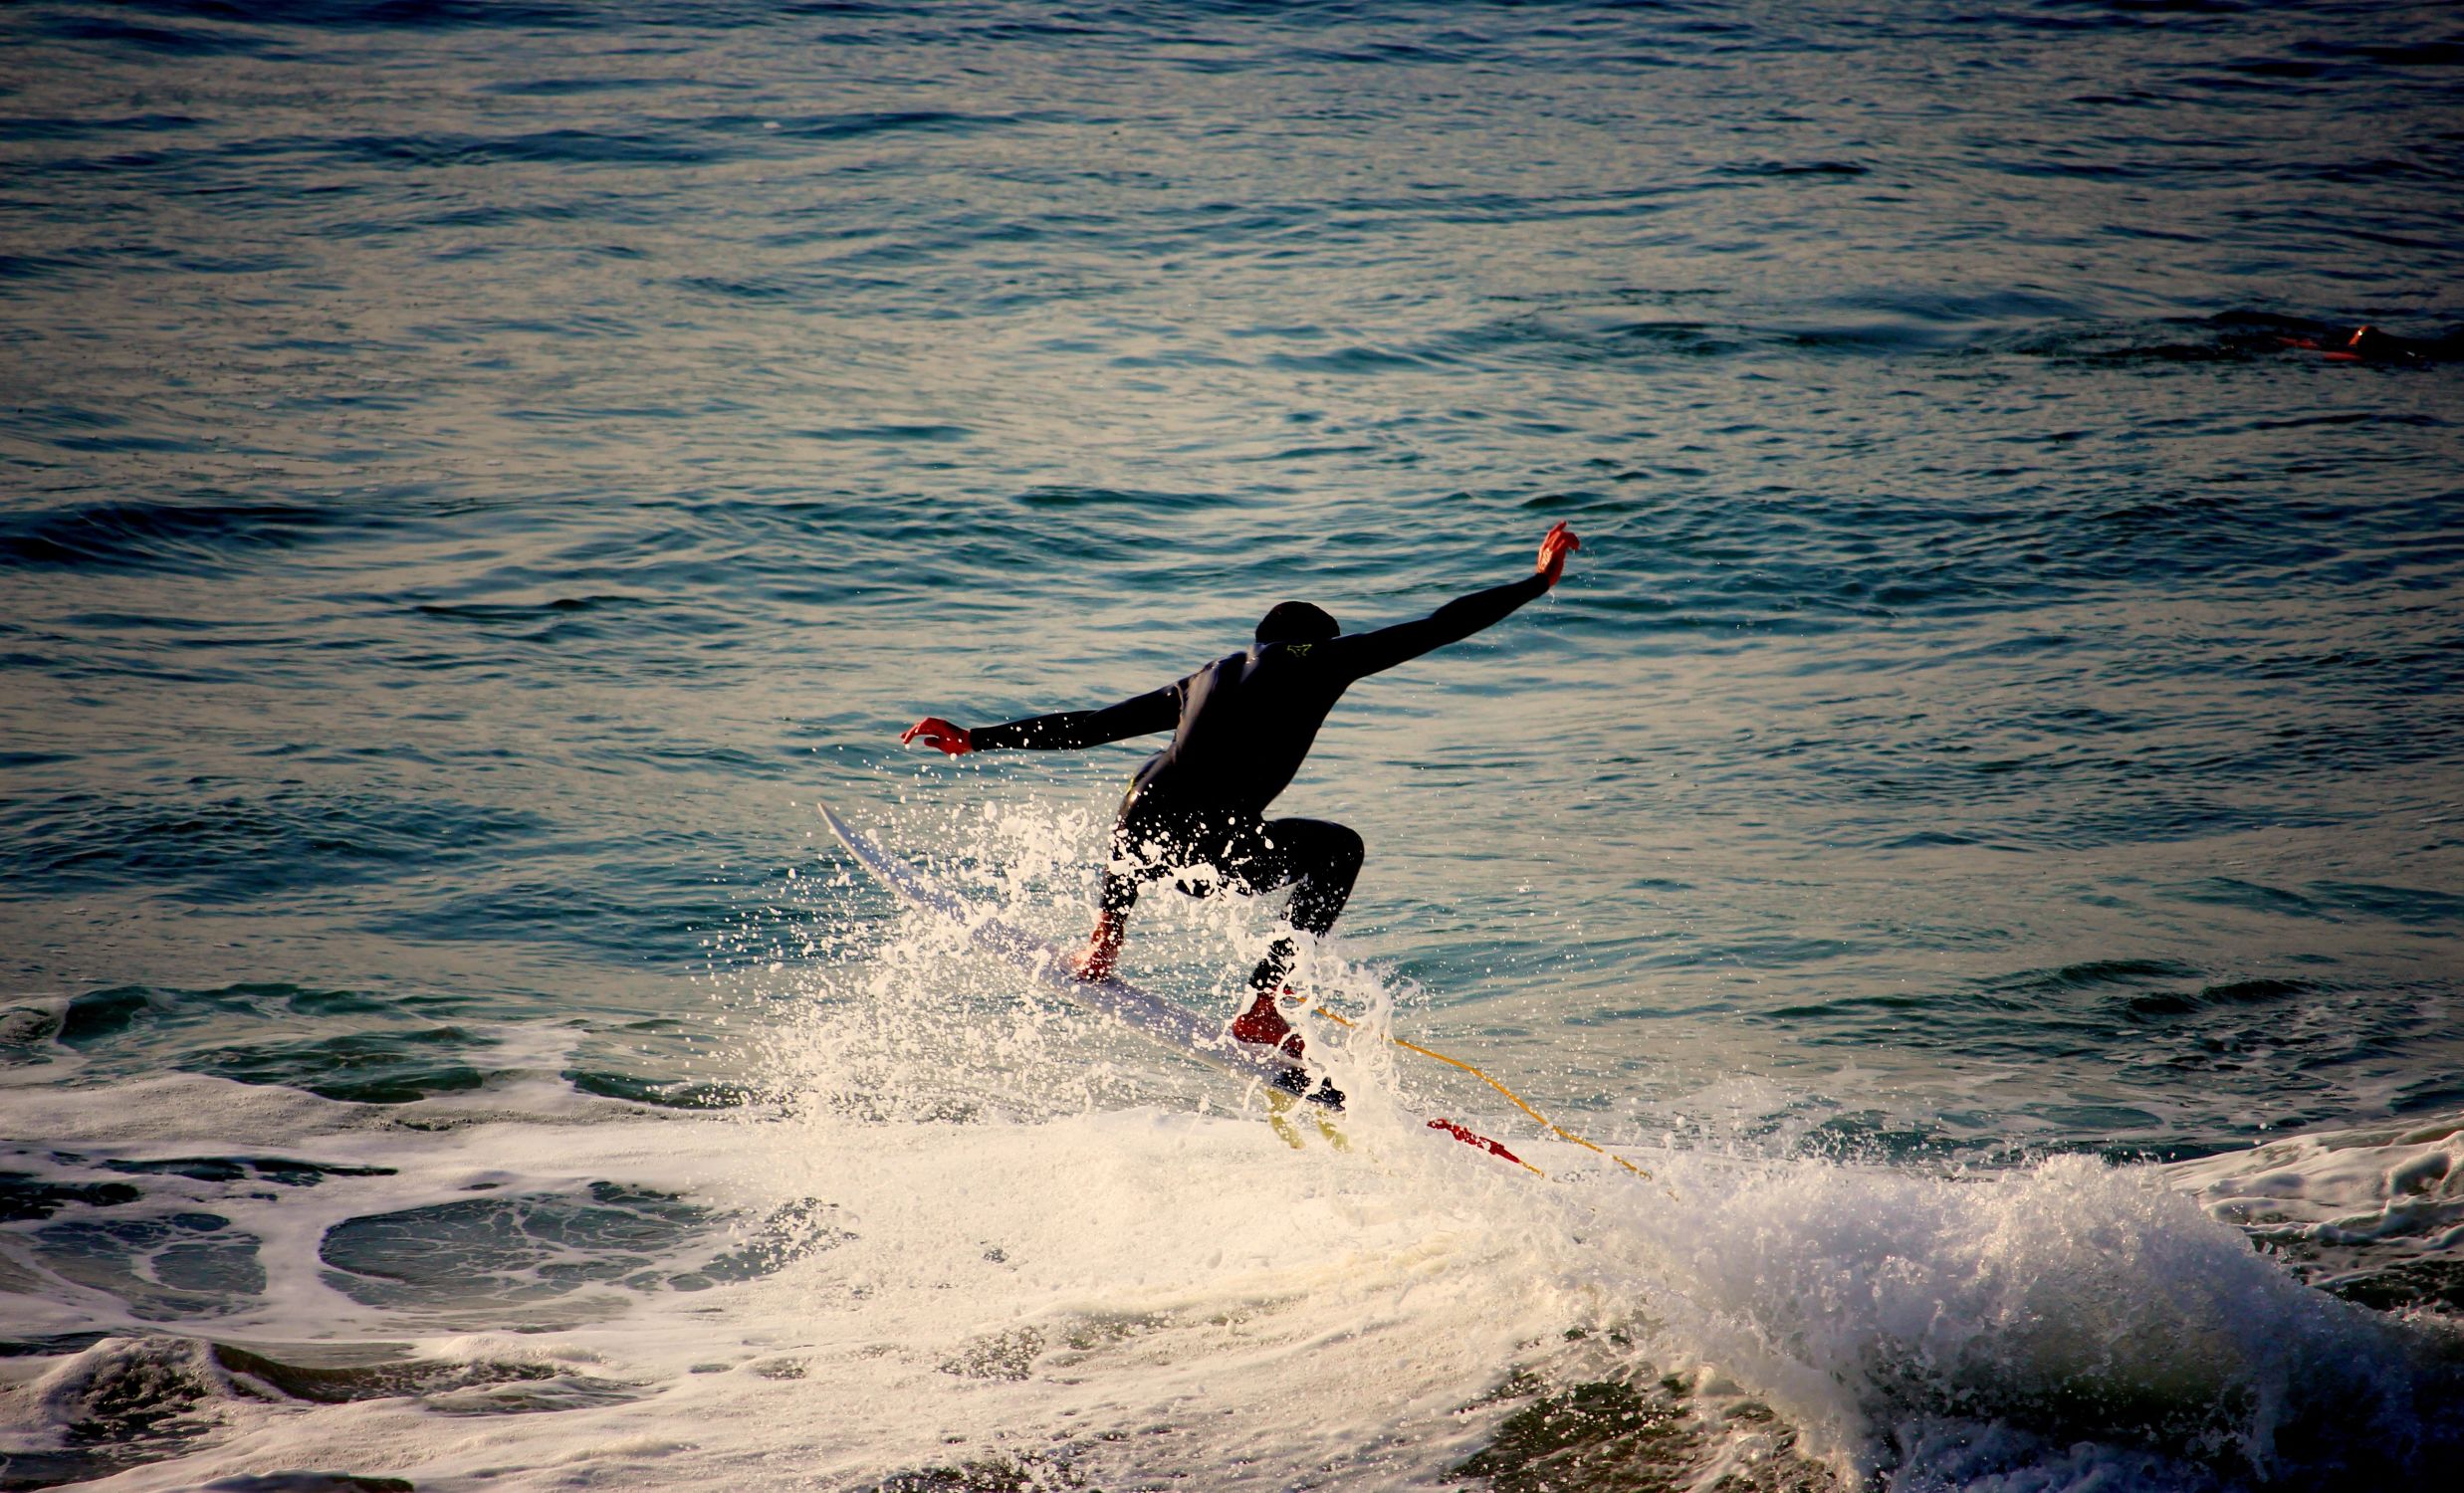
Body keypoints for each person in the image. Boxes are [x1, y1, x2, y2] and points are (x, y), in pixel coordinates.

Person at [901, 521, 1581, 1100]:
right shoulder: (1323, 661)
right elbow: (1441, 624)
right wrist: (1535, 583)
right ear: (1318, 642)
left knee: (1149, 777)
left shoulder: (1200, 677)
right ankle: (1260, 1008)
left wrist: (977, 738)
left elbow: (1090, 725)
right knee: (1338, 849)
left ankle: (1104, 939)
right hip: (1220, 856)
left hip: (1152, 848)